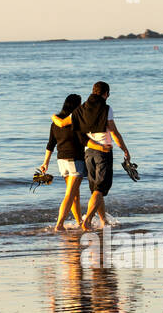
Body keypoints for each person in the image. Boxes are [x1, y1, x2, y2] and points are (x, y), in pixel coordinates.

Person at [53, 81, 131, 232]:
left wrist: (52, 117)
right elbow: (114, 132)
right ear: (106, 94)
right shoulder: (106, 108)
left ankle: (103, 221)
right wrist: (125, 150)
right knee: (99, 190)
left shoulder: (81, 109)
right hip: (104, 152)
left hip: (88, 152)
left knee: (95, 189)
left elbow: (62, 123)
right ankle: (86, 221)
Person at [40, 93, 85, 232]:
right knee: (70, 195)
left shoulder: (55, 123)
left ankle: (79, 222)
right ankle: (59, 225)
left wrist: (45, 163)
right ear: (76, 106)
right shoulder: (76, 121)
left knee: (75, 194)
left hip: (61, 162)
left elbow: (50, 144)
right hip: (75, 161)